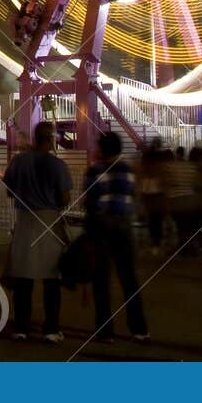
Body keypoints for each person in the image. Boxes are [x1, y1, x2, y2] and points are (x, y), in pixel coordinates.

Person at [1, 121, 73, 342]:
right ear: (51, 139)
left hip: (24, 221)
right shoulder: (58, 165)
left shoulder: (18, 161)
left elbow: (9, 191)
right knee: (52, 279)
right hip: (49, 222)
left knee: (24, 277)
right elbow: (64, 198)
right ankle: (50, 329)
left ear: (34, 137)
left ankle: (20, 328)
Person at [85, 131, 150, 341]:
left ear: (103, 148)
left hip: (101, 226)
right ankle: (138, 329)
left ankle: (105, 330)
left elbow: (90, 201)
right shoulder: (129, 170)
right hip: (123, 226)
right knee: (129, 278)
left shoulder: (94, 171)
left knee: (101, 280)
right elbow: (133, 196)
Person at [136, 140, 168, 254]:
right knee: (157, 219)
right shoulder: (159, 162)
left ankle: (154, 242)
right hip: (157, 192)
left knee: (152, 218)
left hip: (148, 191)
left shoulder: (145, 162)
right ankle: (157, 242)